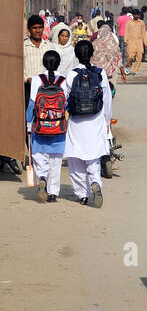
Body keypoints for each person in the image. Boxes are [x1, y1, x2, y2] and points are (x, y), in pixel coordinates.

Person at [65, 38, 112, 207]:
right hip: (96, 120)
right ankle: (95, 183)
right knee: (93, 156)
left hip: (76, 122)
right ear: (92, 54)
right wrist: (107, 121)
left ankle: (81, 194)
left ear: (76, 55)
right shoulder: (100, 73)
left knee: (76, 158)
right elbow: (106, 100)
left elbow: (66, 99)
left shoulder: (71, 74)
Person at [27, 48, 67, 203]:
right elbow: (66, 105)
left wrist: (29, 124)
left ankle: (42, 176)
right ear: (58, 63)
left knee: (39, 156)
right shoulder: (63, 80)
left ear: (43, 62)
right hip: (58, 128)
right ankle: (53, 193)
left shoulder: (37, 80)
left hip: (40, 126)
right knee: (55, 162)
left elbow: (32, 104)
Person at [24, 15, 48, 102]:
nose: (38, 31)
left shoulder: (49, 46)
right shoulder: (23, 47)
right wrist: (26, 79)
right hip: (28, 88)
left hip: (46, 89)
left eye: (40, 27)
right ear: (29, 29)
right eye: (34, 28)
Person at [124, 8, 147, 76]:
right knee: (130, 57)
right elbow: (126, 32)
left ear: (139, 15)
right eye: (135, 15)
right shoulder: (129, 22)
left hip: (139, 41)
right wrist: (125, 40)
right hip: (131, 41)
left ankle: (136, 70)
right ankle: (128, 67)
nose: (136, 16)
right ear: (133, 15)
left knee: (139, 57)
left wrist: (145, 43)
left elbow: (144, 33)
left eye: (137, 15)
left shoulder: (142, 23)